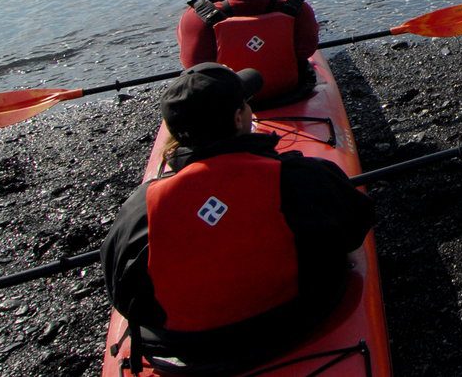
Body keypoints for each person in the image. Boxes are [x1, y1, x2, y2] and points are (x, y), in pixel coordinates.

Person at [102, 63, 374, 372]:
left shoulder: (140, 209)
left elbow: (122, 294)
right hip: (296, 322)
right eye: (245, 104)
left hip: (190, 349)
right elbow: (356, 224)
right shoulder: (295, 178)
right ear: (238, 118)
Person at [177, 0, 320, 106]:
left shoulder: (197, 19)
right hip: (288, 94)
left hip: (229, 104)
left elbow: (192, 66)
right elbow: (307, 50)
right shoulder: (298, 10)